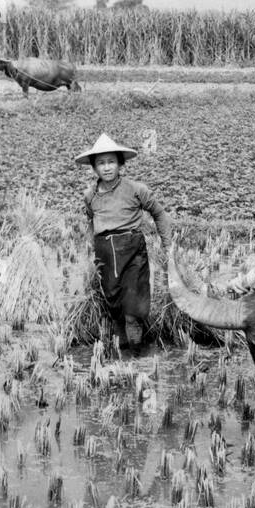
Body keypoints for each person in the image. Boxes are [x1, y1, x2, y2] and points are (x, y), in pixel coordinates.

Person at [75, 133, 174, 353]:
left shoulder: (136, 190)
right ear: (94, 168)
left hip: (132, 252)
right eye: (101, 163)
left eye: (111, 161)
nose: (107, 167)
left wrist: (168, 246)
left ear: (121, 164)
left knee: (133, 309)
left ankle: (137, 353)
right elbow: (91, 220)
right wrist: (91, 248)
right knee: (114, 306)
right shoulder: (90, 195)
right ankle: (123, 355)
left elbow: (160, 215)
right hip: (105, 255)